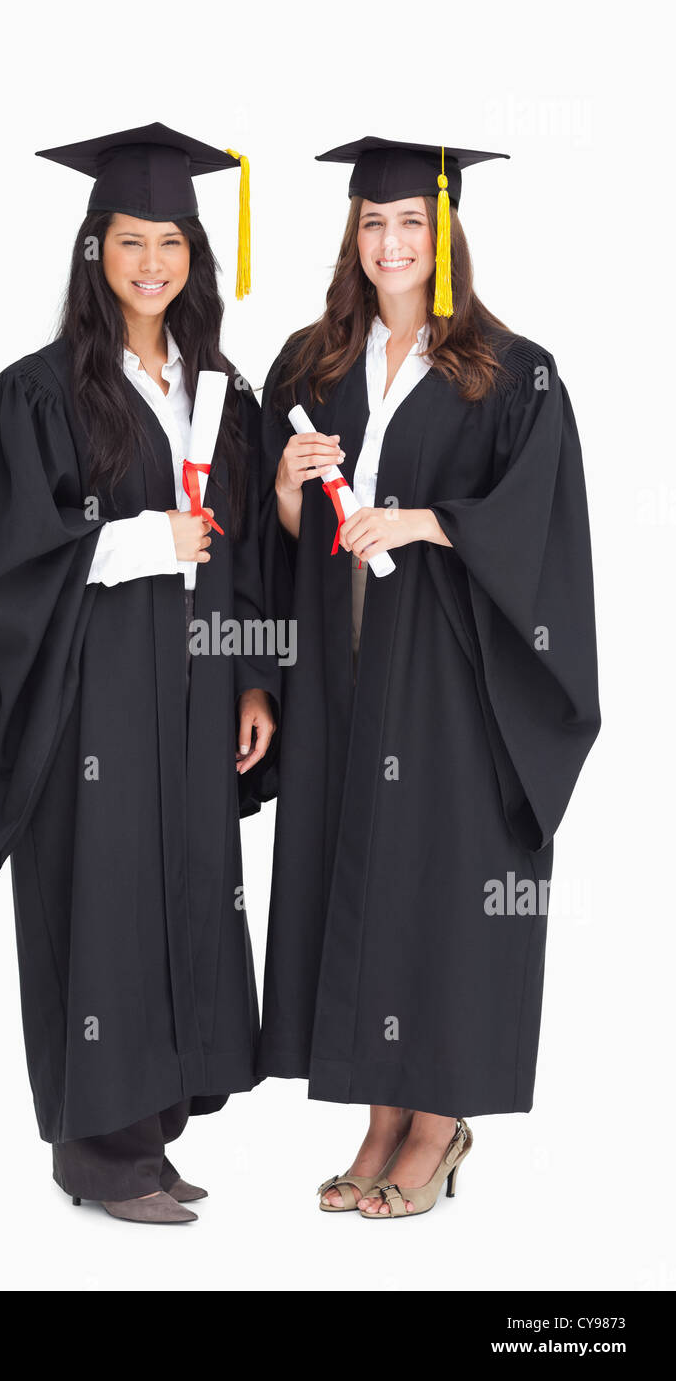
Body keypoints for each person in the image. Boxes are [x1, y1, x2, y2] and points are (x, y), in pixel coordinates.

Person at [256, 135, 600, 1218]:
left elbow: (540, 525)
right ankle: (376, 1107)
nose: (390, 242)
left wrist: (428, 520)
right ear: (350, 236)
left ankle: (438, 1115)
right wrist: (281, 483)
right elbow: (271, 542)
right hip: (344, 673)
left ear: (443, 235)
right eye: (372, 223)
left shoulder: (509, 369)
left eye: (410, 223)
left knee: (439, 881)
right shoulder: (307, 366)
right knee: (363, 873)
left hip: (453, 678)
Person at [0, 122, 278, 1224]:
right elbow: (8, 561)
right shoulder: (35, 394)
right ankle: (95, 1153)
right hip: (87, 704)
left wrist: (250, 681)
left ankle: (152, 1131)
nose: (150, 261)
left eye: (169, 240)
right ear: (94, 253)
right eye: (128, 240)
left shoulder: (219, 389)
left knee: (182, 887)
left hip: (190, 698)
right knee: (100, 901)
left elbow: (246, 555)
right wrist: (134, 539)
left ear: (193, 255)